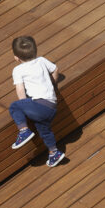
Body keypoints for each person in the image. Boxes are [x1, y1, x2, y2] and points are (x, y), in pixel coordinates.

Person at [9, 35, 66, 167]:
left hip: (39, 105)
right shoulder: (42, 60)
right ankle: (54, 153)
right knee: (44, 130)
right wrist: (53, 84)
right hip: (51, 106)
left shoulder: (18, 70)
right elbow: (55, 69)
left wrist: (24, 105)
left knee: (14, 107)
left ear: (16, 58)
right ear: (35, 50)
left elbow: (20, 90)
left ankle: (24, 131)